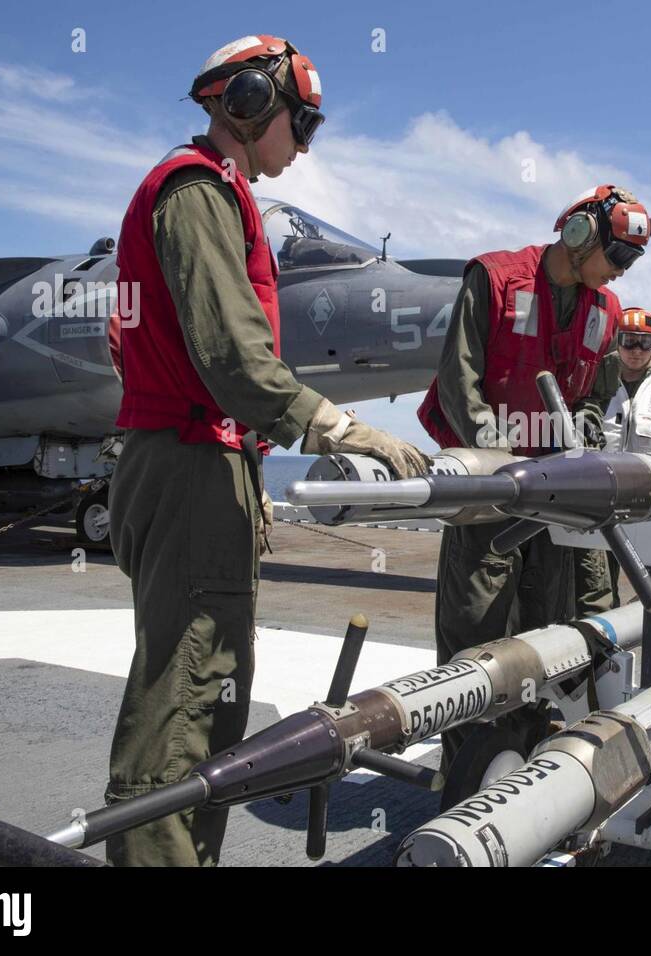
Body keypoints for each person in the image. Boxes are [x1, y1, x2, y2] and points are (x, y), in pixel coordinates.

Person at [105, 34, 428, 866]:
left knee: (205, 699)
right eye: (303, 123)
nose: (307, 143)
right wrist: (336, 426)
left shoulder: (215, 195)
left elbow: (156, 348)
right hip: (188, 465)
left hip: (198, 461)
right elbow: (232, 359)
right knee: (183, 703)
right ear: (248, 102)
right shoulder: (196, 191)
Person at [416, 185, 651, 767]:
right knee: (478, 629)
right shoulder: (494, 280)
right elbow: (458, 381)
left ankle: (523, 760)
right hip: (488, 492)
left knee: (546, 633)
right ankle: (466, 769)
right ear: (579, 235)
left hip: (554, 497)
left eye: (630, 263)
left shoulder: (607, 311)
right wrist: (494, 457)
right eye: (617, 257)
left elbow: (595, 395)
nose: (619, 273)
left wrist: (589, 426)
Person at [573, 307, 651, 616]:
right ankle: (600, 654)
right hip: (603, 502)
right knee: (594, 594)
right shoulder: (595, 383)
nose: (636, 350)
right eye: (628, 341)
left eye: (645, 342)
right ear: (616, 342)